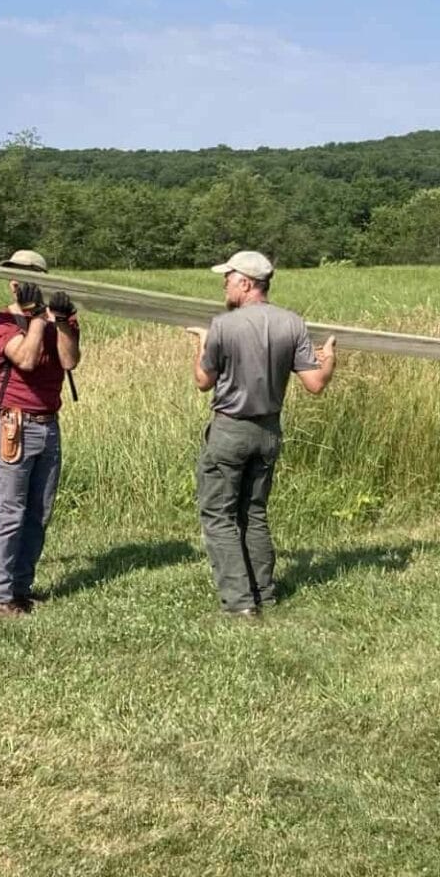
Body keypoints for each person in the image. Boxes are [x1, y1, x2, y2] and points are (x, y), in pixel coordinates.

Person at [184, 251, 336, 617]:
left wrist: (201, 342)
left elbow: (203, 382)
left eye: (229, 278)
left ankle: (239, 604)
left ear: (246, 283)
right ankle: (263, 594)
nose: (224, 283)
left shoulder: (224, 325)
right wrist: (329, 359)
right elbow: (315, 384)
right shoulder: (293, 323)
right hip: (269, 431)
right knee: (254, 513)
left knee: (218, 516)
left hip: (230, 431)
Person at [0, 250, 81, 618]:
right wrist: (37, 318)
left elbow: (70, 360)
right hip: (15, 425)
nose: (17, 281)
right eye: (13, 275)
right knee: (10, 512)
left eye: (26, 275)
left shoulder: (61, 317)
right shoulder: (2, 321)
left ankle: (21, 588)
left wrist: (62, 322)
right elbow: (24, 359)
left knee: (38, 513)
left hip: (48, 424)